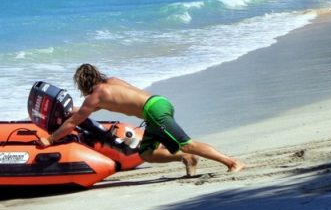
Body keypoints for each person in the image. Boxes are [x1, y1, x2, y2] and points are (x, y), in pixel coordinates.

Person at [38, 63, 244, 177]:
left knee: (187, 144)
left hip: (154, 111)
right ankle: (186, 159)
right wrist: (69, 110)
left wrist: (51, 139)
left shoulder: (96, 96)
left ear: (82, 83)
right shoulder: (111, 83)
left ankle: (232, 162)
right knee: (147, 153)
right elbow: (95, 107)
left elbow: (75, 122)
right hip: (158, 103)